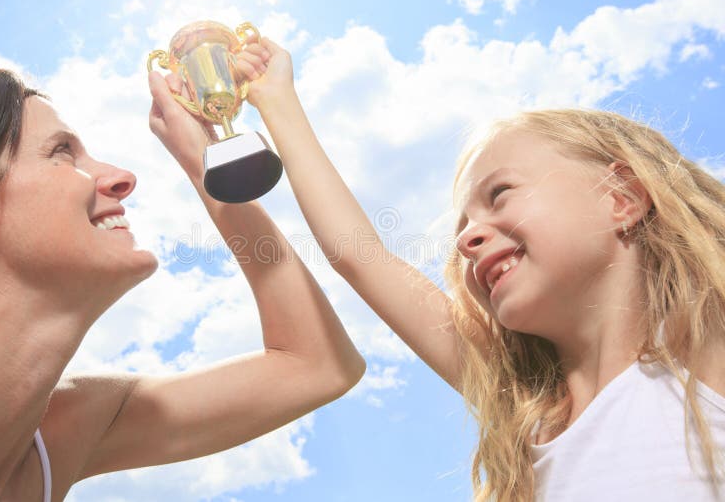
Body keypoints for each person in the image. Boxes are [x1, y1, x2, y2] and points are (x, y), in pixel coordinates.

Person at [238, 36, 725, 500]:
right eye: (463, 227)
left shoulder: (703, 356)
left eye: (500, 194)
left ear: (620, 198)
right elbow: (360, 256)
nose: (468, 240)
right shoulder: (530, 410)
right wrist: (275, 100)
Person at [0, 59, 365, 501]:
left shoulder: (64, 432)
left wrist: (206, 159)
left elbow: (319, 366)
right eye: (61, 152)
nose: (122, 178)